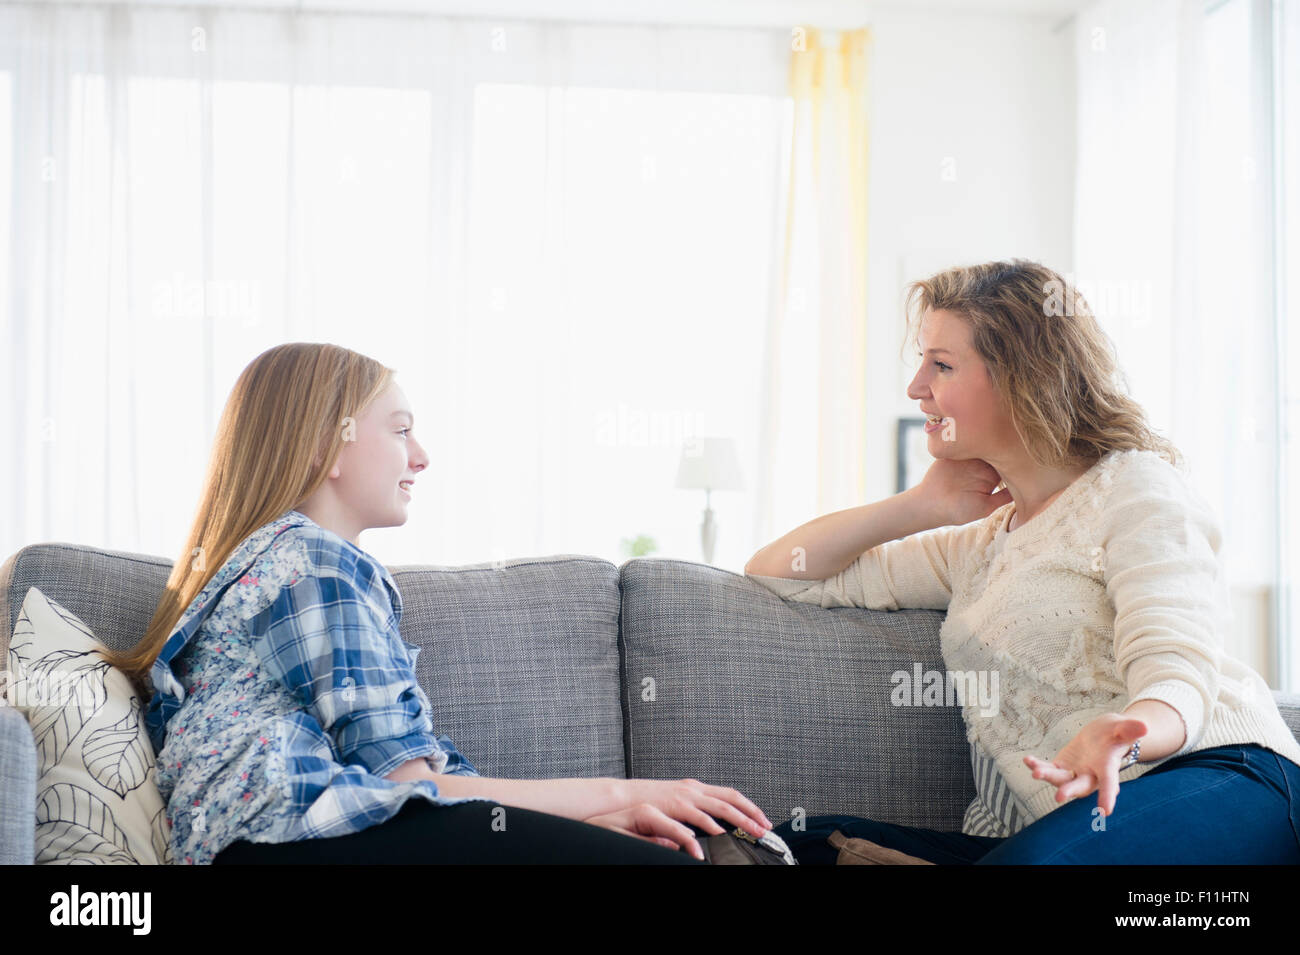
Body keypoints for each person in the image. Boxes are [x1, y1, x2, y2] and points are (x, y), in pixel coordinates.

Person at [104, 342, 772, 865]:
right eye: (400, 430)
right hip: (293, 841)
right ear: (322, 446)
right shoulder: (314, 560)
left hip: (274, 843)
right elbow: (410, 783)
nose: (421, 456)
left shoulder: (274, 557)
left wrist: (592, 821)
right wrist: (628, 791)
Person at [745, 259, 1300, 864]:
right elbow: (780, 573)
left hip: (1217, 776)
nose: (916, 387)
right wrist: (921, 504)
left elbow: (1177, 672)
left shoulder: (1135, 489)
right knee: (796, 843)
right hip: (1060, 829)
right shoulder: (974, 545)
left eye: (942, 365)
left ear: (1020, 379)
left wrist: (1126, 738)